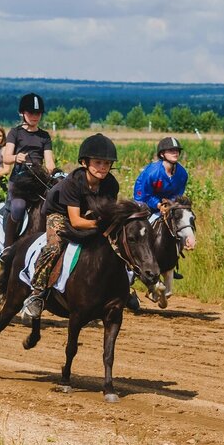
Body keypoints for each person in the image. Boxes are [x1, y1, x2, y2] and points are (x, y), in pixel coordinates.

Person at [20, 133, 119, 324]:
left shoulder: (111, 184)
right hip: (60, 215)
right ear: (84, 162)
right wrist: (101, 225)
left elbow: (106, 213)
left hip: (89, 216)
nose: (103, 167)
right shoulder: (74, 182)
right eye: (98, 162)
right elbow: (75, 222)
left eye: (107, 163)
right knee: (54, 247)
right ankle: (37, 294)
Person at [133, 136, 195, 278]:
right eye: (171, 150)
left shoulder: (182, 174)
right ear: (162, 154)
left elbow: (178, 195)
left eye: (177, 150)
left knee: (178, 224)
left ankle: (171, 264)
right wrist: (158, 204)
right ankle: (133, 268)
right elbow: (145, 195)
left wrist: (170, 205)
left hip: (167, 205)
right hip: (144, 201)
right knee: (139, 230)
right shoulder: (152, 172)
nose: (175, 153)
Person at [1, 93, 56, 247]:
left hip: (38, 180)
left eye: (38, 113)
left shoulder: (44, 136)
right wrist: (16, 157)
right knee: (18, 207)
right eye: (31, 113)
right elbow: (6, 157)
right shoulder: (15, 132)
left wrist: (54, 172)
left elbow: (49, 162)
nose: (35, 116)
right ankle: (8, 246)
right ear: (23, 113)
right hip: (20, 181)